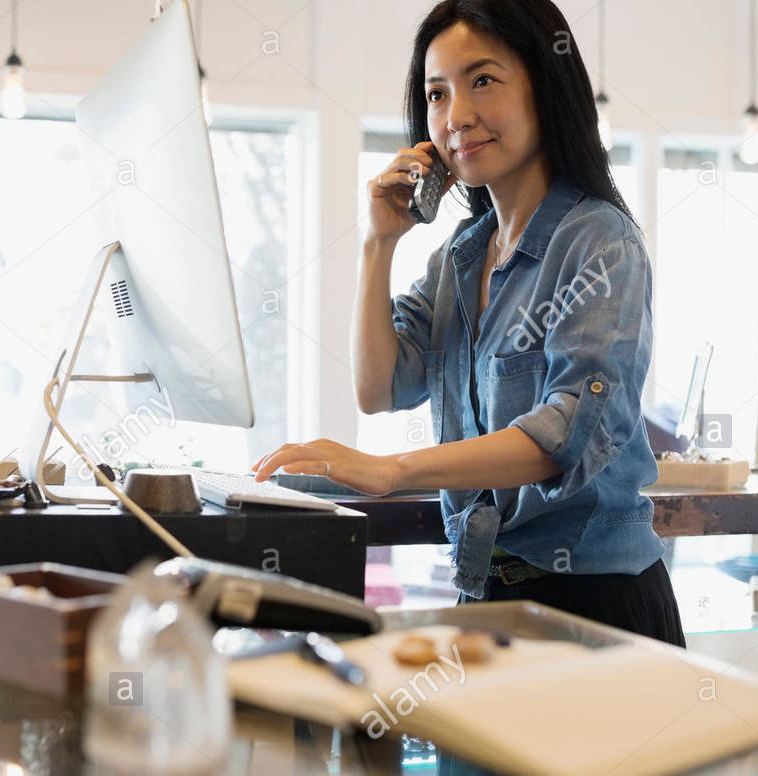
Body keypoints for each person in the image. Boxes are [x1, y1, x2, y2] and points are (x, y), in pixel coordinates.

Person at [252, 0, 685, 646]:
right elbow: (379, 386)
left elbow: (565, 432)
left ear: (544, 83)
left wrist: (395, 468)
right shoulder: (461, 255)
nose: (455, 117)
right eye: (436, 94)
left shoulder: (600, 242)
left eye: (482, 80)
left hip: (596, 602)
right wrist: (378, 244)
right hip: (487, 590)